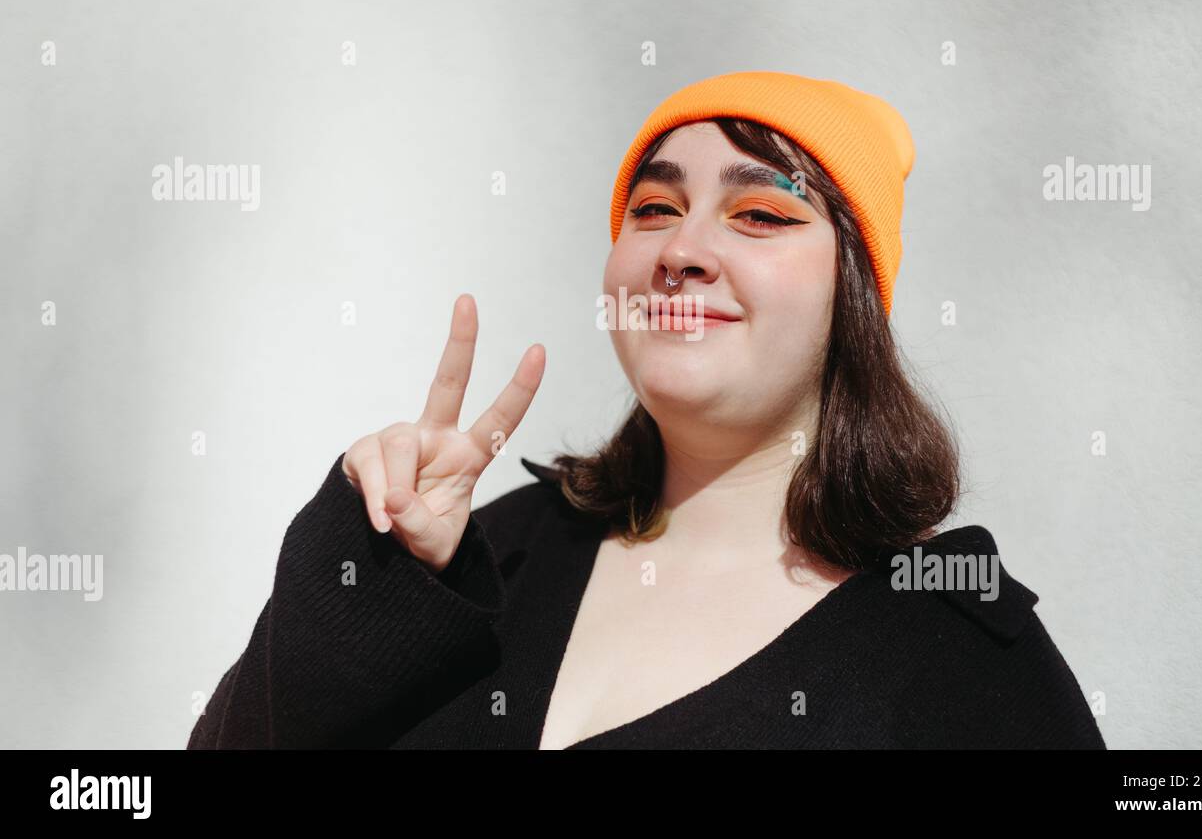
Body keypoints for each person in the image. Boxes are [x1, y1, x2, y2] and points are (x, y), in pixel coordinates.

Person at [188, 71, 1105, 749]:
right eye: (655, 207)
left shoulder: (958, 645)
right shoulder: (485, 560)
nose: (685, 248)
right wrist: (370, 570)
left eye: (760, 216)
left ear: (853, 295)